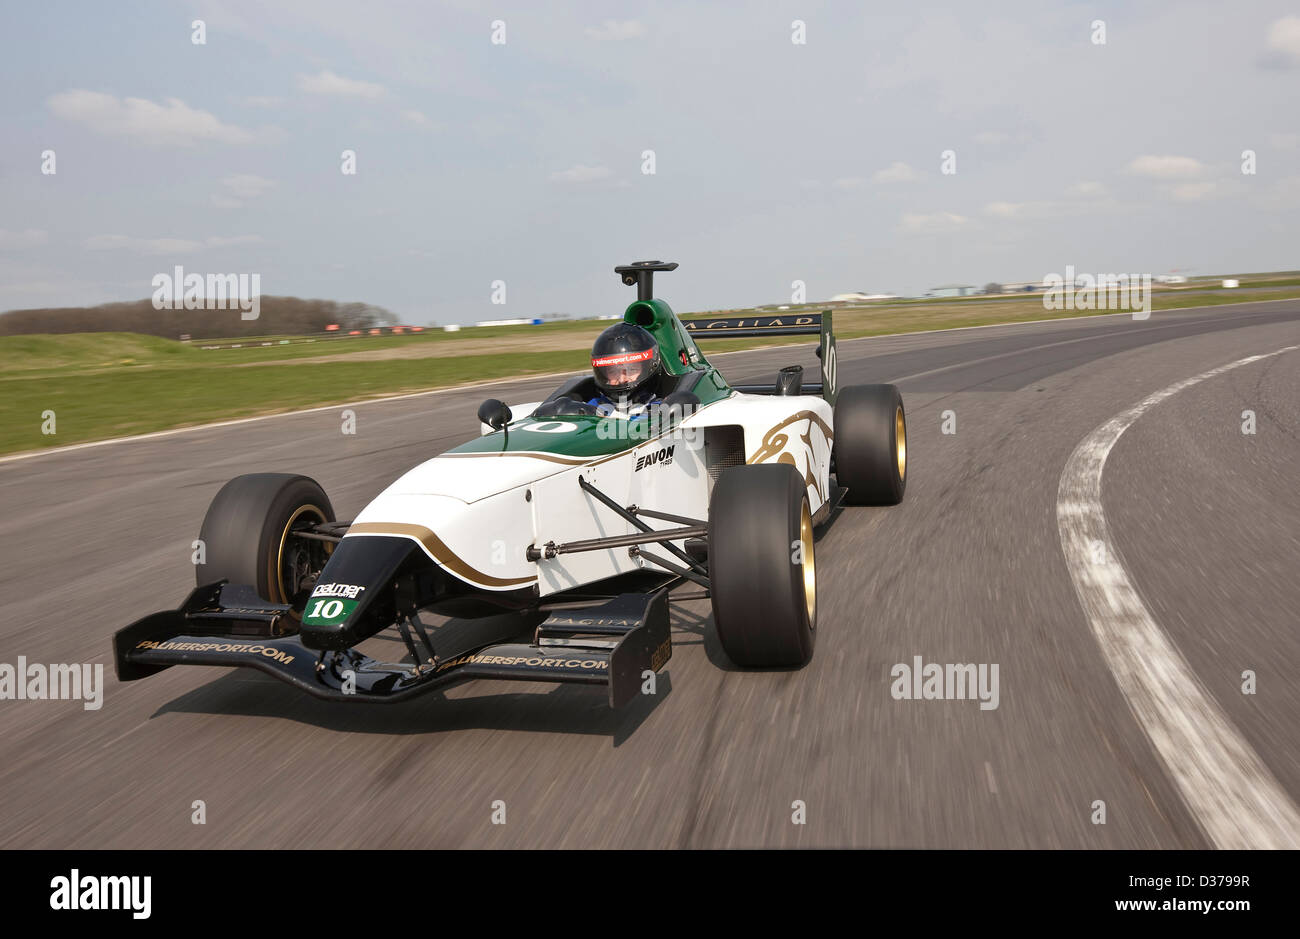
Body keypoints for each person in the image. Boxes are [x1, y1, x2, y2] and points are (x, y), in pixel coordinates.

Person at [585, 323, 664, 420]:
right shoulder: (593, 407)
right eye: (613, 371)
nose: (622, 379)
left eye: (631, 370)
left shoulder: (662, 409)